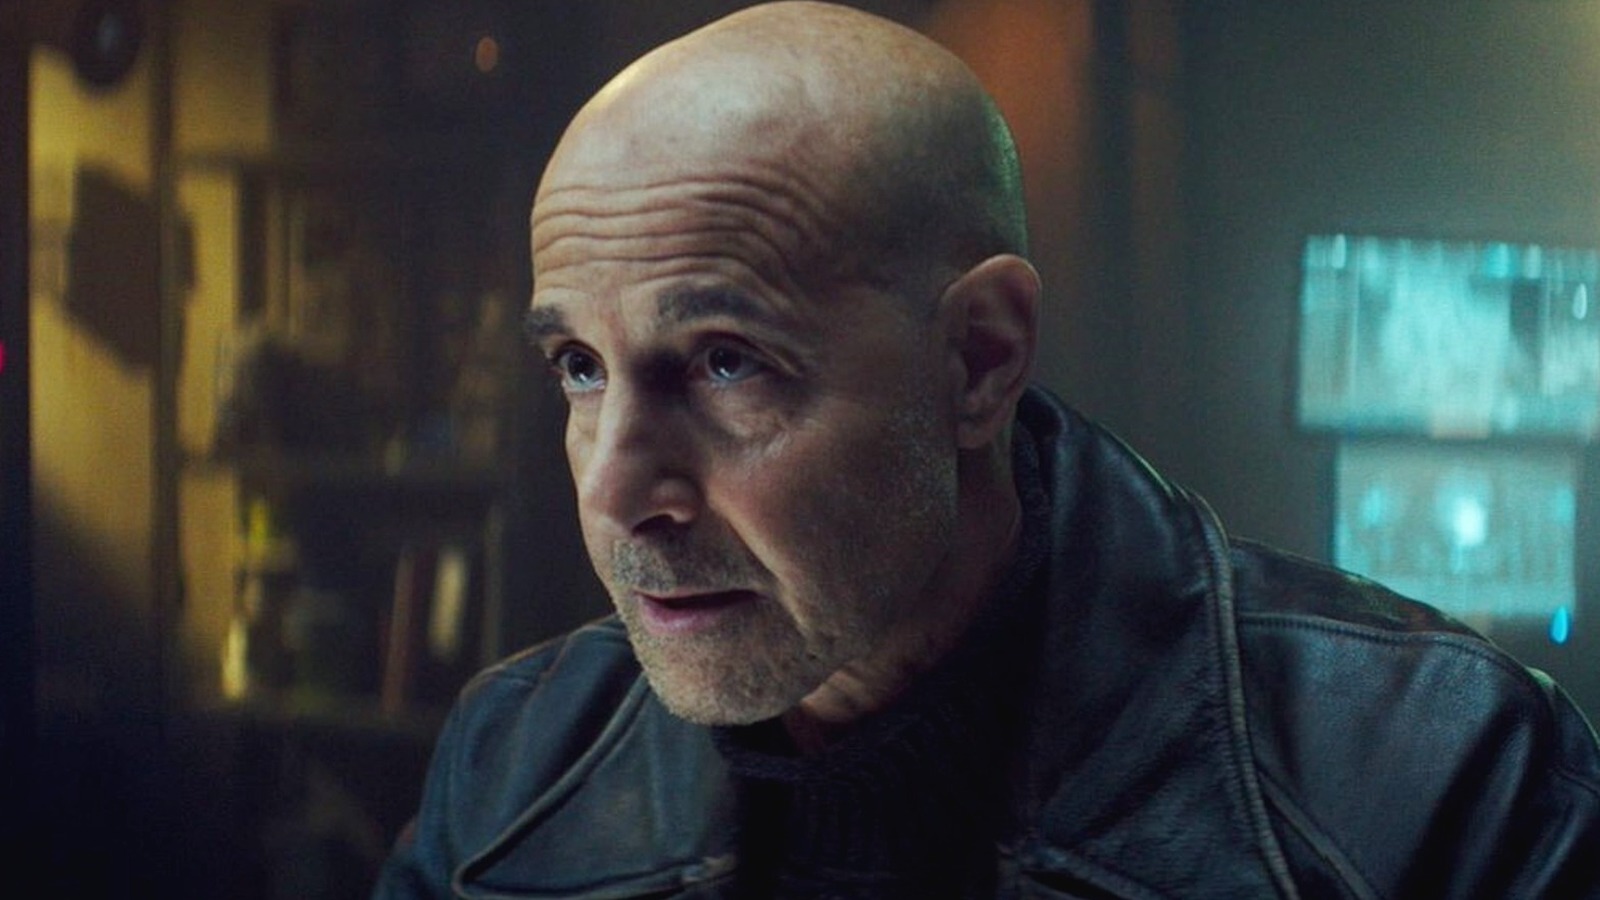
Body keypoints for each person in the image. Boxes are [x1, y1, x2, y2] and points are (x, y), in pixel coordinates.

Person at [373, 3, 1600, 897]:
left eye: (724, 362)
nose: (612, 489)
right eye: (578, 367)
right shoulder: (515, 761)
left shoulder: (1441, 775)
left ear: (977, 359)